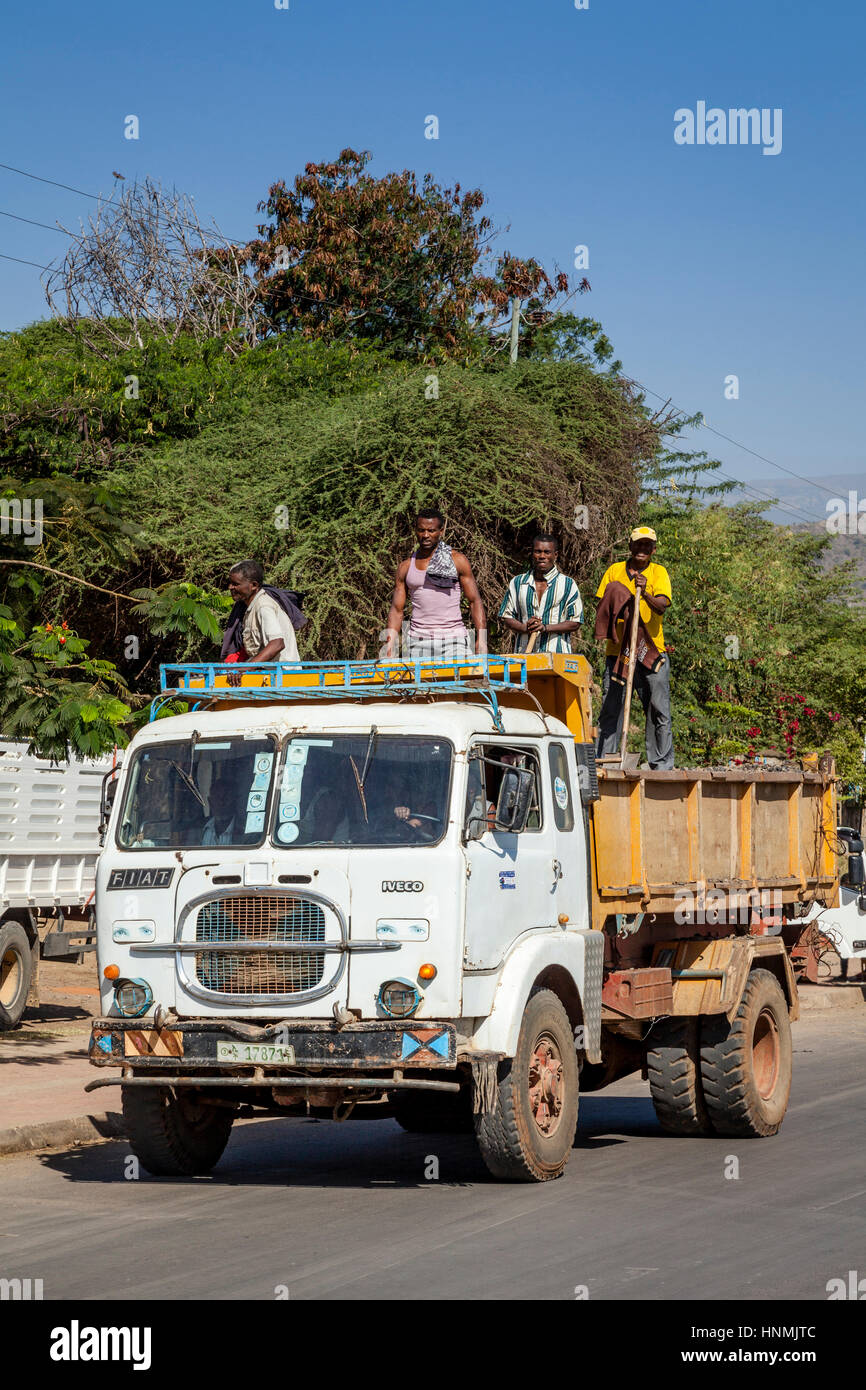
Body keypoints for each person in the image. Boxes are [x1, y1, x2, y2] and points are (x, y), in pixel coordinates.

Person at [595, 525, 673, 770]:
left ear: (653, 549)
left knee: (658, 708)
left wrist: (644, 592)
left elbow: (661, 605)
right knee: (611, 707)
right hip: (619, 653)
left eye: (647, 545)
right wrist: (626, 603)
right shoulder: (615, 571)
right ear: (630, 546)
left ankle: (660, 765)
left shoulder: (658, 573)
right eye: (638, 544)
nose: (642, 549)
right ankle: (607, 762)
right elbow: (602, 605)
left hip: (650, 651)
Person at [384, 509, 487, 660]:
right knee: (422, 684)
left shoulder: (457, 561)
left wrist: (482, 639)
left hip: (454, 641)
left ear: (441, 531)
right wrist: (389, 645)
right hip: (418, 641)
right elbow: (397, 610)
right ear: (416, 531)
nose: (426, 535)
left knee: (459, 683)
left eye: (431, 531)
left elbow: (474, 601)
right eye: (421, 530)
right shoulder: (405, 567)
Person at [499, 535, 583, 654]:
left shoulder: (568, 584)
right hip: (523, 657)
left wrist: (545, 628)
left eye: (547, 552)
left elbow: (575, 622)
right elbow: (506, 616)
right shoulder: (518, 582)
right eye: (538, 552)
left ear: (555, 555)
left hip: (557, 658)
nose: (542, 556)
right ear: (532, 553)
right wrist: (525, 628)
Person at [224, 560, 300, 685]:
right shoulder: (249, 608)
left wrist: (245, 669)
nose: (230, 587)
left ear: (253, 585)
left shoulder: (263, 606)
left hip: (282, 676)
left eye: (235, 584)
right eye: (230, 583)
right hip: (268, 675)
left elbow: (277, 643)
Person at [202, 777, 240, 846]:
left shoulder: (246, 832)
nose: (221, 802)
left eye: (226, 797)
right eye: (217, 797)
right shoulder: (198, 829)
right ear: (210, 802)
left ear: (235, 800)